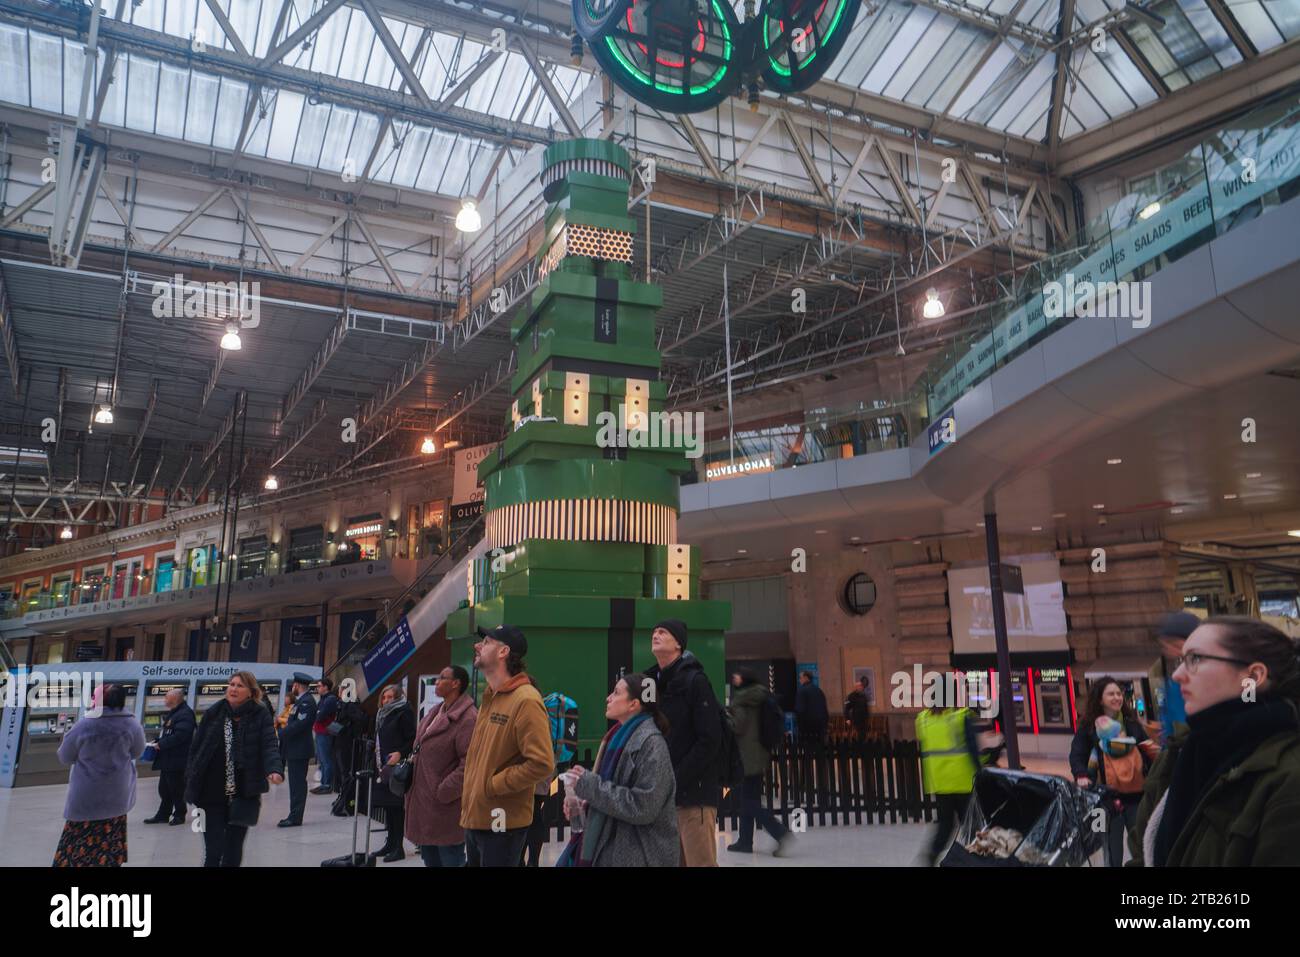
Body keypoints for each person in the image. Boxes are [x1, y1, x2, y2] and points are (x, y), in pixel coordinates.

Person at [1129, 616, 1300, 866]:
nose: (1177, 675)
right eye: (1180, 660)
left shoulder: (1287, 776)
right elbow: (1141, 851)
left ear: (1252, 677)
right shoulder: (1179, 752)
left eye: (1195, 659)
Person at [557, 673, 679, 867]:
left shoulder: (652, 744)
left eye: (616, 692)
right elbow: (611, 789)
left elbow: (644, 807)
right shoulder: (615, 737)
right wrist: (585, 802)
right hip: (614, 849)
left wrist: (590, 785)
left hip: (640, 854)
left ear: (634, 704)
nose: (608, 698)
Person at [460, 624, 555, 866]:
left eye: (487, 642)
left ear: (503, 652)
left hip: (501, 825)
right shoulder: (491, 697)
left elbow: (542, 763)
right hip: (477, 820)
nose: (477, 646)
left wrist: (494, 785)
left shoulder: (526, 700)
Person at [184, 671, 284, 867]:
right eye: (231, 684)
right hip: (210, 792)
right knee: (213, 851)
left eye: (239, 685)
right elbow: (197, 748)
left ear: (250, 692)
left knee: (233, 850)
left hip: (244, 792)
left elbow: (269, 744)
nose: (233, 689)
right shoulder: (214, 712)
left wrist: (275, 769)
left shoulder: (260, 714)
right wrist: (190, 775)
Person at [645, 618, 722, 867]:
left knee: (699, 861)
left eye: (663, 632)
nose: (655, 634)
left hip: (694, 795)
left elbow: (710, 738)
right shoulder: (650, 682)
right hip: (663, 795)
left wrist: (678, 777)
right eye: (654, 631)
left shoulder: (695, 681)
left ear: (678, 643)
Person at [54, 683, 146, 867]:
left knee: (78, 841)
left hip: (86, 795)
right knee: (109, 839)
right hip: (117, 795)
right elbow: (138, 752)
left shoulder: (85, 724)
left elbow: (64, 756)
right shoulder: (132, 724)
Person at [1069, 676, 1155, 866]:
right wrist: (1081, 775)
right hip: (1105, 799)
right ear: (1100, 699)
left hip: (1136, 796)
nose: (1117, 697)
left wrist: (1154, 753)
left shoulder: (1131, 723)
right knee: (1110, 847)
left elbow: (1146, 750)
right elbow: (1077, 755)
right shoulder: (1088, 727)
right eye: (1111, 694)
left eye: (1119, 693)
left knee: (1142, 845)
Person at [405, 665, 476, 867]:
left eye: (442, 678)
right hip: (425, 804)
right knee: (431, 858)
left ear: (455, 683)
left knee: (451, 858)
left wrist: (444, 790)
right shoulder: (437, 711)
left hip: (446, 805)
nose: (436, 682)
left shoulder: (467, 718)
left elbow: (469, 763)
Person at [726, 669, 793, 856]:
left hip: (746, 756)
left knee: (748, 801)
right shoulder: (760, 695)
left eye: (737, 675)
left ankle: (780, 833)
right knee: (749, 799)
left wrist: (725, 718)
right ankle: (745, 841)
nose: (734, 677)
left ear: (744, 679)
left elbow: (737, 726)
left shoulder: (742, 699)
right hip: (759, 753)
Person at [915, 703, 983, 866]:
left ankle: (932, 854)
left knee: (945, 824)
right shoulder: (960, 717)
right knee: (971, 825)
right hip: (962, 781)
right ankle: (974, 859)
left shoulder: (923, 720)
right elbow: (972, 748)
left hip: (940, 782)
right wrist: (980, 770)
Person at [370, 683, 417, 862]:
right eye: (384, 697)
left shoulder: (403, 712)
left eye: (390, 697)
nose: (386, 700)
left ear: (398, 697)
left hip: (397, 767)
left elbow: (412, 738)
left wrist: (400, 753)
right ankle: (390, 842)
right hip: (383, 766)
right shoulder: (382, 714)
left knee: (396, 807)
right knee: (388, 806)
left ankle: (398, 847)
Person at [144, 688, 195, 825]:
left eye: (166, 697)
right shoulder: (175, 713)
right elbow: (168, 733)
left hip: (177, 759)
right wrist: (158, 741)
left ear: (174, 699)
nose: (164, 700)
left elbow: (181, 735)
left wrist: (162, 744)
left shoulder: (185, 714)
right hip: (168, 759)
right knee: (165, 789)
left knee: (177, 789)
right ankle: (163, 814)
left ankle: (179, 814)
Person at [1149, 611, 1198, 743]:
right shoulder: (1173, 678)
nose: (1168, 650)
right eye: (1165, 645)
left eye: (1175, 644)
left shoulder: (1203, 676)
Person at [277, 672, 317, 827]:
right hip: (295, 748)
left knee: (298, 784)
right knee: (295, 784)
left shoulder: (307, 702)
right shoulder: (301, 701)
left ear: (298, 685)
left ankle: (295, 817)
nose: (292, 687)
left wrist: (280, 733)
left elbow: (299, 725)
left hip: (300, 750)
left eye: (293, 685)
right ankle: (294, 814)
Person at [311, 677, 339, 794]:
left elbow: (320, 716)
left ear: (325, 687)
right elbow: (317, 714)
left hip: (325, 733)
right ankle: (323, 783)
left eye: (319, 686)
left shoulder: (330, 699)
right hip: (320, 731)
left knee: (326, 760)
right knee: (322, 760)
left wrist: (318, 713)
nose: (317, 688)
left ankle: (327, 784)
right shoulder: (323, 699)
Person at [795, 670, 828, 743]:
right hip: (820, 726)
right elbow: (824, 708)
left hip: (807, 726)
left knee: (808, 749)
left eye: (800, 677)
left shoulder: (802, 691)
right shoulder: (819, 690)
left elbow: (800, 710)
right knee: (819, 748)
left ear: (806, 678)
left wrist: (799, 725)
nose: (799, 680)